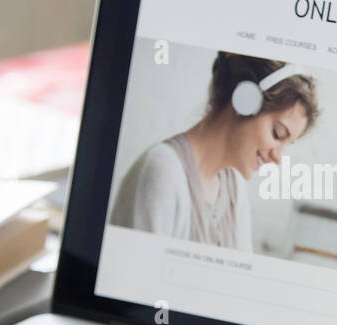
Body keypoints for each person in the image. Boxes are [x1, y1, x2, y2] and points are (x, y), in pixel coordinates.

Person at [111, 51, 319, 251]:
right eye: (277, 133)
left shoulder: (234, 188)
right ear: (246, 101)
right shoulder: (162, 172)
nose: (277, 158)